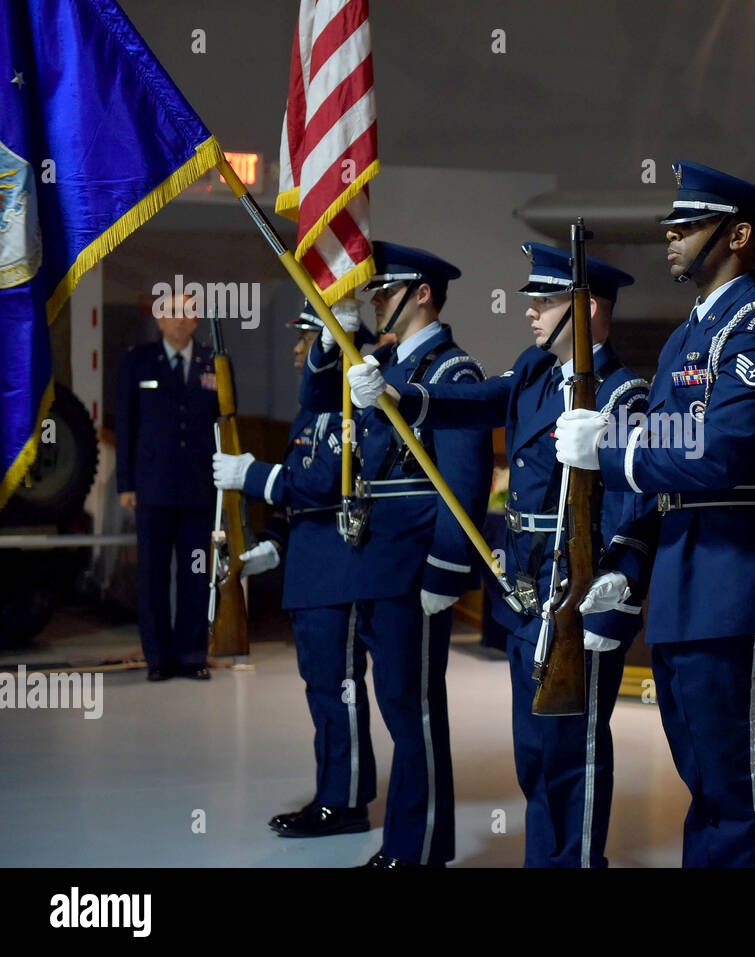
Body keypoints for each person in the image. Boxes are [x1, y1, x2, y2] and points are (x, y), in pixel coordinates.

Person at [554, 162, 755, 867]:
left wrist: (608, 449)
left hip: (739, 578)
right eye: (671, 225)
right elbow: (667, 467)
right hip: (682, 578)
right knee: (702, 776)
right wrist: (629, 561)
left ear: (738, 235)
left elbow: (719, 454)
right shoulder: (687, 338)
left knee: (734, 785)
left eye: (689, 224)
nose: (670, 236)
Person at [349, 242, 648, 867]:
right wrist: (396, 397)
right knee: (533, 751)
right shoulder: (535, 372)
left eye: (546, 300)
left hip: (575, 590)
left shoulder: (621, 394)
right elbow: (479, 401)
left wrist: (617, 603)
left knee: (572, 749)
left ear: (588, 308)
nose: (530, 311)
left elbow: (631, 508)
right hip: (523, 589)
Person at [300, 241, 493, 868]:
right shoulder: (383, 364)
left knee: (416, 711)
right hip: (376, 561)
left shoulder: (452, 373)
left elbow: (465, 479)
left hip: (415, 563)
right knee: (395, 702)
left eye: (386, 290)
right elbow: (316, 403)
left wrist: (447, 566)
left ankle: (419, 849)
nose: (375, 300)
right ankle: (409, 843)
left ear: (422, 294)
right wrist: (329, 343)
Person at [212, 301, 378, 839]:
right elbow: (302, 498)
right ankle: (333, 793)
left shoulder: (350, 406)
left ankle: (345, 803)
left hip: (337, 570)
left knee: (339, 688)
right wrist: (275, 543)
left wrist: (252, 475)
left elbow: (323, 485)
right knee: (322, 689)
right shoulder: (315, 407)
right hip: (310, 568)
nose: (296, 350)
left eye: (306, 338)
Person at [116, 293, 223, 681]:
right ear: (159, 320)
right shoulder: (139, 361)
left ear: (196, 320)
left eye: (188, 312)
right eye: (172, 313)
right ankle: (158, 658)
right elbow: (126, 424)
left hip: (198, 492)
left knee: (195, 572)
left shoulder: (213, 361)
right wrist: (126, 484)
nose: (180, 319)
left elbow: (225, 421)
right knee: (153, 577)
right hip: (153, 489)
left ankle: (192, 656)